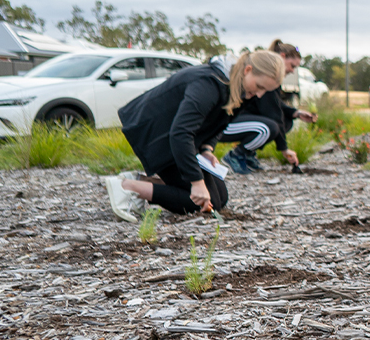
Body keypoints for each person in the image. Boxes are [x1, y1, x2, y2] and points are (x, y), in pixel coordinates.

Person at [105, 50, 286, 221]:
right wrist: (196, 181)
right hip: (156, 136)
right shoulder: (208, 83)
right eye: (259, 86)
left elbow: (218, 123)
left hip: (178, 138)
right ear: (248, 70)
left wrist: (207, 148)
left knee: (220, 196)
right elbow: (180, 132)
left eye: (265, 91)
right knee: (205, 200)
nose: (260, 94)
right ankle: (127, 188)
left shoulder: (239, 89)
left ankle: (140, 181)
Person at [218, 39, 318, 174]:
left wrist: (296, 113)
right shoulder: (265, 77)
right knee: (270, 127)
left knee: (286, 121)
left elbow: (275, 105)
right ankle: (237, 155)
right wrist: (284, 149)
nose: (292, 71)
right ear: (282, 57)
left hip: (239, 120)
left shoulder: (268, 78)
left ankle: (248, 153)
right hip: (222, 125)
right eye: (292, 66)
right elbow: (273, 113)